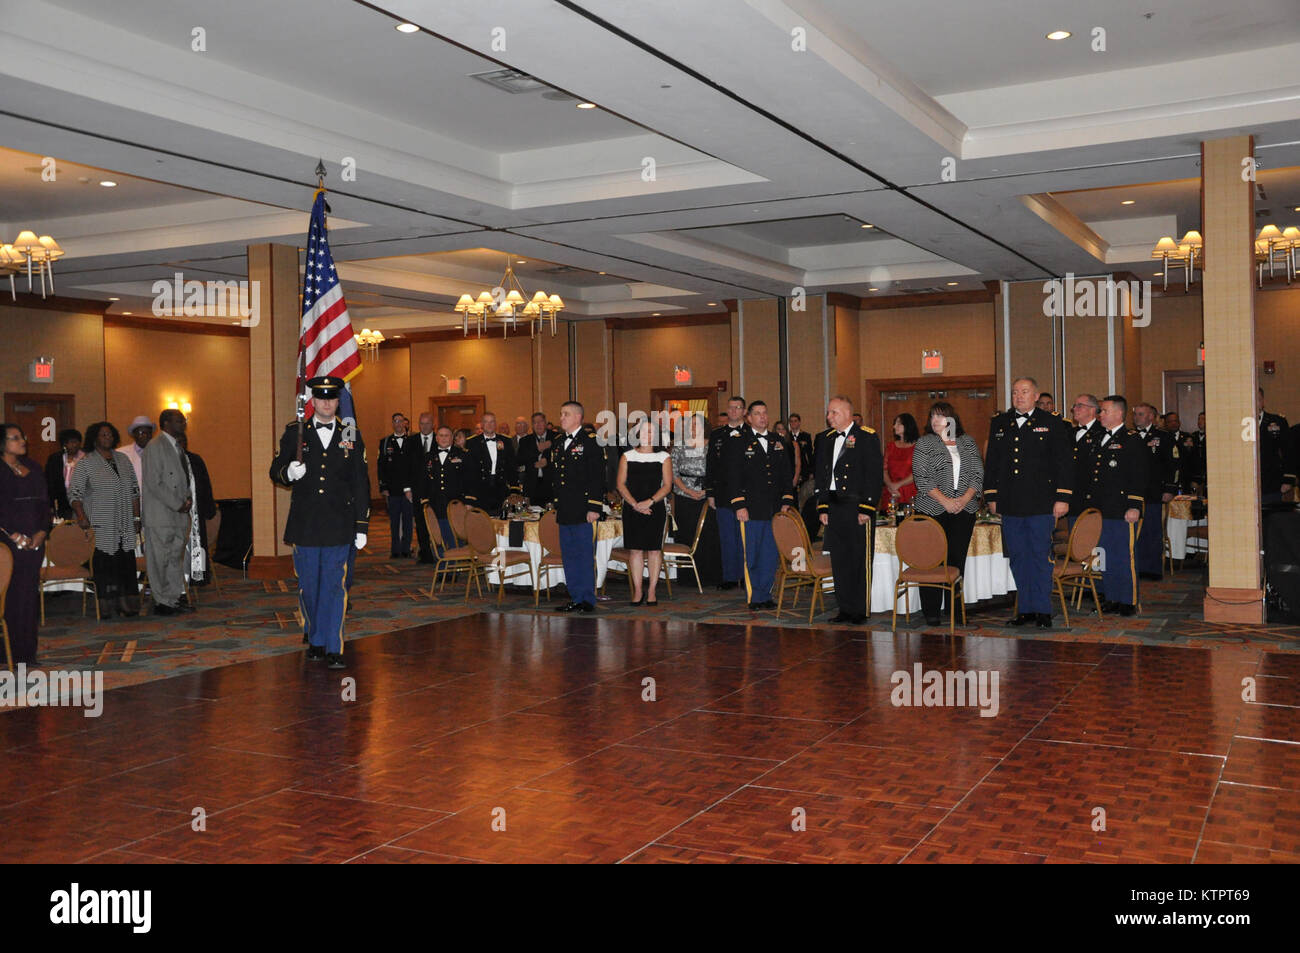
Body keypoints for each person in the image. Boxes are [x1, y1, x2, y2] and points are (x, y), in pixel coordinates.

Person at [270, 376, 369, 669]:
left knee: (335, 587)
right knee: (309, 587)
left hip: (340, 524)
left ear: (338, 401)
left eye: (332, 398)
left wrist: (361, 524)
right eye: (322, 398)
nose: (327, 403)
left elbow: (360, 481)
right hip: (306, 525)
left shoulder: (350, 433)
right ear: (312, 401)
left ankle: (334, 646)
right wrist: (289, 472)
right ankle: (315, 637)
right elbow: (275, 470)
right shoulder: (295, 432)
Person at [984, 376, 1073, 628]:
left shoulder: (1051, 422)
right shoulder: (1000, 423)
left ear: (1035, 396)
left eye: (1024, 392)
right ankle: (1025, 609)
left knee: (1040, 557)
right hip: (1010, 502)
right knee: (1018, 557)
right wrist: (991, 495)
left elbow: (1064, 463)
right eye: (1015, 392)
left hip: (1041, 502)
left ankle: (1043, 610)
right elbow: (992, 463)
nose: (1018, 396)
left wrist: (1063, 497)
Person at [911, 403, 983, 627]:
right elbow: (921, 477)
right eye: (932, 416)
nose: (935, 420)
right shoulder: (924, 443)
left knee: (956, 561)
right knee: (931, 560)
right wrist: (945, 501)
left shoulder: (967, 442)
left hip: (964, 510)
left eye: (940, 416)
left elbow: (978, 473)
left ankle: (955, 609)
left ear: (952, 419)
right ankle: (931, 610)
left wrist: (964, 499)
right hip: (931, 509)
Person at [814, 396, 882, 623]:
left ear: (846, 413)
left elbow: (874, 474)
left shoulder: (866, 437)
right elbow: (822, 475)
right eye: (828, 412)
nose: (829, 417)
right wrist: (823, 506)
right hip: (834, 506)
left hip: (857, 506)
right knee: (840, 559)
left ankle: (860, 609)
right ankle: (844, 607)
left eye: (833, 412)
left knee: (859, 559)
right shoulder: (825, 439)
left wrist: (867, 507)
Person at [68, 421, 140, 619]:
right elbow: (74, 494)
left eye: (110, 434)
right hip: (101, 525)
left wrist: (136, 517)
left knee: (124, 564)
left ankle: (126, 602)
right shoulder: (86, 463)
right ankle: (106, 605)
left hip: (125, 523)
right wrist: (81, 516)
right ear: (94, 438)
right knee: (106, 566)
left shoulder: (123, 460)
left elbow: (135, 491)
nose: (108, 438)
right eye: (103, 435)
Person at [728, 400, 795, 610]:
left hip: (773, 508)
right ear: (749, 418)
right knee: (752, 553)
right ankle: (754, 596)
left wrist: (786, 500)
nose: (762, 417)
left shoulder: (778, 441)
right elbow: (733, 476)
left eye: (765, 413)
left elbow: (786, 474)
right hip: (750, 507)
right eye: (757, 413)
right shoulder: (738, 441)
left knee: (770, 554)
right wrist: (739, 505)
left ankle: (765, 594)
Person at [1088, 396, 1148, 616]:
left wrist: (1134, 505)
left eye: (1104, 411)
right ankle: (1112, 597)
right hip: (1101, 509)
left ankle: (1128, 600)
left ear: (1118, 413)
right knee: (1104, 555)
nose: (1100, 415)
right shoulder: (1098, 437)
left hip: (1122, 508)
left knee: (1124, 555)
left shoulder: (1131, 439)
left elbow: (1138, 475)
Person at [0, 423, 53, 664]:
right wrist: (14, 535)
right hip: (6, 545)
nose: (22, 441)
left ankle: (26, 653)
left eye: (22, 436)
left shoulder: (33, 467)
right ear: (2, 443)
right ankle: (7, 651)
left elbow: (44, 503)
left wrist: (42, 531)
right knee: (10, 596)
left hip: (34, 543)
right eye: (15, 438)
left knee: (28, 596)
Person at [141, 409, 195, 615]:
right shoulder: (155, 446)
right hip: (161, 515)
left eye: (183, 420)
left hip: (178, 514)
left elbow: (183, 479)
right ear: (165, 423)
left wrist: (187, 499)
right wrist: (177, 503)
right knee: (159, 560)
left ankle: (173, 598)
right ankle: (161, 601)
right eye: (179, 420)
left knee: (174, 559)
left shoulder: (176, 447)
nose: (183, 424)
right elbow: (154, 482)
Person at [552, 401, 604, 613]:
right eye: (561, 414)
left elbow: (597, 476)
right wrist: (556, 502)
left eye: (566, 414)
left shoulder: (591, 442)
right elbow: (557, 476)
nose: (561, 418)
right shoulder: (558, 442)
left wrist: (594, 506)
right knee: (569, 555)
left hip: (583, 508)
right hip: (565, 508)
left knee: (584, 555)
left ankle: (587, 599)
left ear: (577, 417)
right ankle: (575, 596)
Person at [616, 423, 673, 605]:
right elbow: (620, 484)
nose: (648, 434)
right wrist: (635, 504)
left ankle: (652, 591)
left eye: (651, 431)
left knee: (654, 550)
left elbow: (667, 486)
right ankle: (638, 590)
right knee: (635, 550)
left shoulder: (664, 457)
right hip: (631, 507)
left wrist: (649, 501)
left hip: (655, 507)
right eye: (644, 431)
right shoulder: (627, 456)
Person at [670, 411, 721, 587]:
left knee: (710, 536)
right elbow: (673, 473)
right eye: (690, 424)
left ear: (704, 426)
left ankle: (711, 576)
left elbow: (720, 472)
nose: (692, 427)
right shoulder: (679, 446)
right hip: (684, 496)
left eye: (696, 424)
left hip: (709, 496)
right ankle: (688, 578)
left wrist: (706, 491)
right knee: (686, 534)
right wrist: (688, 491)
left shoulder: (713, 446)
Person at [1131, 402, 1177, 580]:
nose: (1137, 418)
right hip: (1134, 492)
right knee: (1135, 532)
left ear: (1151, 417)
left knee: (1152, 530)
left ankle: (1152, 569)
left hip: (1154, 491)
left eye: (1141, 414)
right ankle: (1137, 566)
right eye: (1135, 414)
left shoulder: (1163, 437)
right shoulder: (1130, 436)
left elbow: (1173, 464)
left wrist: (1170, 488)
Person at [705, 396, 747, 592]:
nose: (734, 411)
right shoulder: (717, 435)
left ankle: (746, 575)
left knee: (745, 537)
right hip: (722, 493)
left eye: (738, 408)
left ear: (744, 411)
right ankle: (730, 576)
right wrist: (710, 492)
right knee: (727, 537)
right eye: (731, 407)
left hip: (746, 494)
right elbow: (711, 465)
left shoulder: (751, 434)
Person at [419, 426, 467, 551]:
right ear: (436, 438)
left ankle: (456, 561)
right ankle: (441, 561)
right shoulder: (428, 456)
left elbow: (468, 479)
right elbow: (423, 480)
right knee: (438, 537)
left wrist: (467, 502)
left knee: (456, 538)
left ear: (452, 438)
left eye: (447, 435)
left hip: (455, 504)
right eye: (441, 435)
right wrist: (424, 500)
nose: (444, 438)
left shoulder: (462, 455)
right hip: (436, 504)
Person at [177, 432, 216, 584]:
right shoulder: (166, 461)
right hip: (175, 514)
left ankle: (197, 577)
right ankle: (181, 578)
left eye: (183, 441)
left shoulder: (195, 460)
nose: (181, 444)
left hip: (195, 513)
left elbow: (205, 485)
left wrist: (209, 509)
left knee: (197, 542)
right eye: (178, 441)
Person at [464, 412, 521, 514]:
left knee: (502, 519)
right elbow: (469, 471)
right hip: (480, 490)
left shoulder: (506, 440)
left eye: (492, 422)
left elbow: (511, 467)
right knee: (482, 520)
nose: (489, 425)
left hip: (501, 489)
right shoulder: (472, 442)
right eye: (486, 422)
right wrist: (469, 498)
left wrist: (514, 490)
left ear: (495, 424)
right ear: (482, 424)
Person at [377, 412, 414, 558]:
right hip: (392, 489)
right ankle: (395, 549)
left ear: (405, 423)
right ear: (392, 424)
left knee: (408, 521)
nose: (398, 424)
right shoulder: (385, 442)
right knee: (394, 521)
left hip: (409, 489)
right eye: (395, 421)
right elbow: (381, 466)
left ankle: (406, 549)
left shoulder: (412, 441)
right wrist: (383, 487)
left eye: (400, 421)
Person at [1069, 394, 1104, 522]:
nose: (1074, 409)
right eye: (1074, 406)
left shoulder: (1102, 432)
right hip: (1074, 498)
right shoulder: (1069, 433)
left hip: (1094, 498)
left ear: (1092, 410)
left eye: (1080, 406)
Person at [1259, 389, 1296, 505]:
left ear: (1263, 402)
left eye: (1258, 399)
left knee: (1272, 514)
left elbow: (1289, 451)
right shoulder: (1239, 423)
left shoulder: (1277, 421)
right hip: (1245, 483)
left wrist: (1288, 479)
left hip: (1271, 482)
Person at [879, 413, 918, 514]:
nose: (894, 426)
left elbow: (918, 471)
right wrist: (891, 485)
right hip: (891, 492)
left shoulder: (918, 447)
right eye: (894, 423)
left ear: (908, 425)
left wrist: (897, 485)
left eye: (898, 423)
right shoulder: (891, 446)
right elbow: (884, 469)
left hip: (910, 492)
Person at [517, 412, 558, 505]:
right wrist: (537, 450)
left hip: (551, 485)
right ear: (532, 425)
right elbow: (519, 460)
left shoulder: (556, 437)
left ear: (545, 423)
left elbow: (562, 458)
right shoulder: (525, 440)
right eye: (535, 422)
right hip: (532, 487)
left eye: (540, 421)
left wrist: (548, 461)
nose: (538, 425)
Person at [44, 428, 83, 520]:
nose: (74, 445)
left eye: (76, 442)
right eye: (71, 442)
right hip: (61, 504)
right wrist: (50, 505)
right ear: (64, 444)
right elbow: (49, 482)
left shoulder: (86, 458)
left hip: (82, 503)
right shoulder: (55, 459)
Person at [122, 415, 153, 490]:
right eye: (141, 432)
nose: (145, 435)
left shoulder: (159, 453)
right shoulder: (121, 453)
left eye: (148, 432)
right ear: (133, 434)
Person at [1191, 411, 1207, 490]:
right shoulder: (1193, 435)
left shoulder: (1212, 435)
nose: (1200, 421)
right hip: (1195, 470)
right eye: (1198, 419)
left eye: (1203, 419)